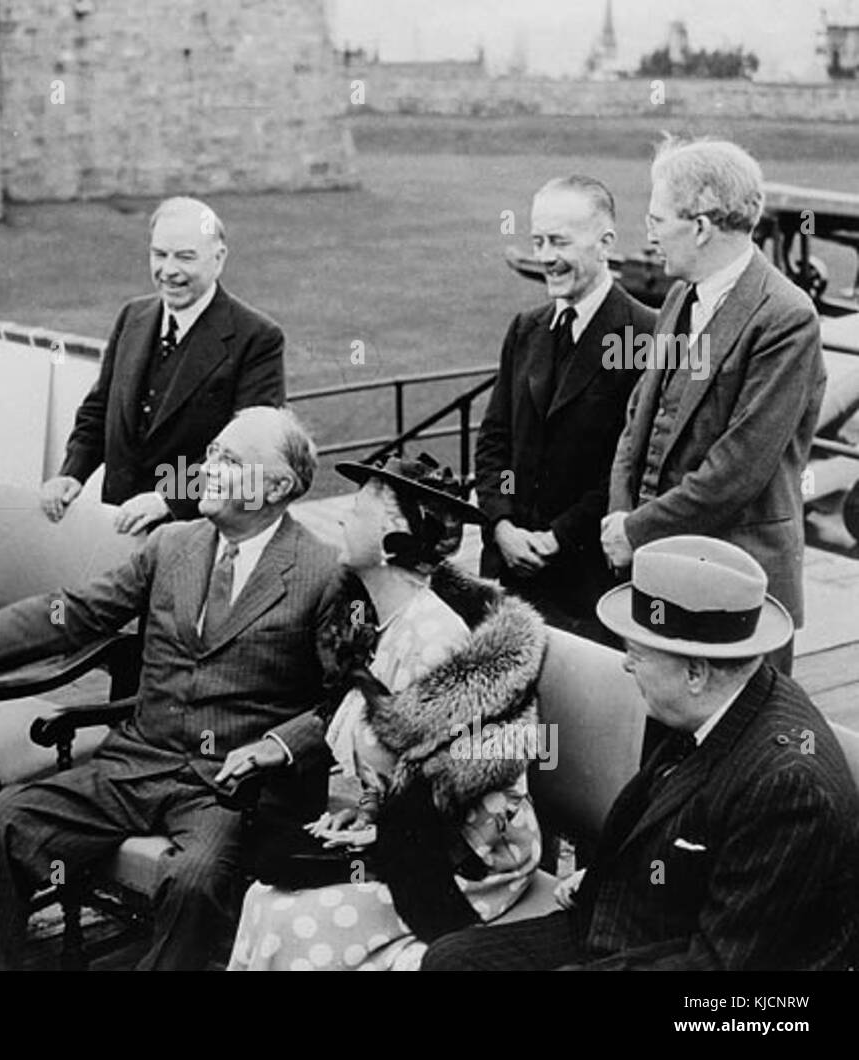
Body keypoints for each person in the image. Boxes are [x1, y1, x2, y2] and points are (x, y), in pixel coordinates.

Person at [0, 406, 353, 970]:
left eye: (230, 460)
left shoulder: (323, 573)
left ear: (278, 485)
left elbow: (346, 699)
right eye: (210, 453)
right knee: (3, 821)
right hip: (136, 763)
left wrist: (279, 746)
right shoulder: (172, 546)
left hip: (230, 787)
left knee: (193, 883)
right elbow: (75, 612)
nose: (207, 469)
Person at [421, 535, 859, 971]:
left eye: (637, 653)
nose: (626, 665)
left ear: (694, 671)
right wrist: (602, 880)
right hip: (640, 922)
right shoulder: (712, 700)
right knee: (450, 962)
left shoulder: (788, 787)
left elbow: (721, 965)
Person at [229, 453, 546, 971]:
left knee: (287, 916)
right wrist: (372, 813)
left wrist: (383, 834)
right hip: (415, 841)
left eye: (355, 513)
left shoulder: (435, 640)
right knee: (264, 896)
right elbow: (401, 774)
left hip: (469, 862)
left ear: (391, 539)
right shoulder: (387, 625)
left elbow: (460, 793)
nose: (340, 521)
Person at [602, 138, 826, 674]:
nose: (650, 234)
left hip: (739, 592)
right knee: (666, 738)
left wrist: (635, 532)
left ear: (701, 227)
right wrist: (619, 513)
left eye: (659, 219)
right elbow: (639, 419)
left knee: (741, 746)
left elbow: (738, 470)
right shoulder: (681, 296)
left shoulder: (786, 318)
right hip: (666, 572)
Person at [475, 176, 655, 643]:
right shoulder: (525, 328)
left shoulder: (644, 335)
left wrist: (558, 536)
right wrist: (501, 524)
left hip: (585, 585)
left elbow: (631, 465)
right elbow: (495, 437)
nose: (545, 256)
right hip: (508, 575)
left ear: (605, 243)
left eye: (559, 241)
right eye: (538, 240)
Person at [40, 197, 286, 535]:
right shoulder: (132, 316)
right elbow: (99, 411)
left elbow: (251, 452)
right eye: (159, 255)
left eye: (185, 257)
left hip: (196, 532)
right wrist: (71, 473)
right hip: (120, 527)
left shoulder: (257, 338)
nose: (168, 270)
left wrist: (167, 500)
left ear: (219, 260)